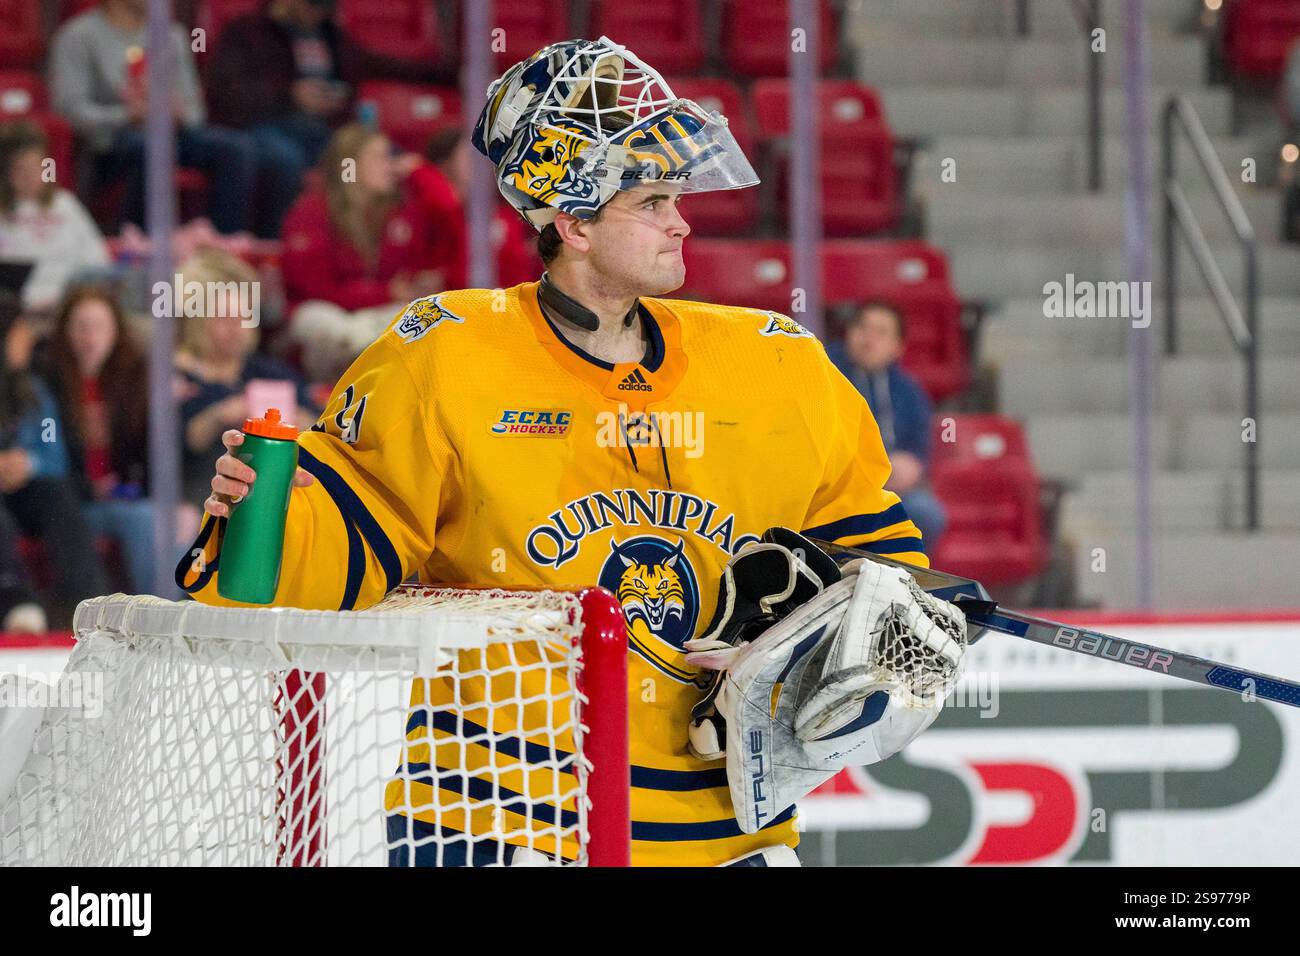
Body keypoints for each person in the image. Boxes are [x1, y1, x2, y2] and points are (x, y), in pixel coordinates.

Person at [179, 39, 943, 867]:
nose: (680, 220)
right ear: (571, 222)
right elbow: (342, 540)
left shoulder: (777, 365)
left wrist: (846, 639)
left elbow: (881, 568)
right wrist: (259, 515)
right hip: (496, 827)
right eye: (651, 201)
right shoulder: (445, 356)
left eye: (676, 196)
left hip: (727, 835)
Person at [206, 0, 459, 237]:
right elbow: (227, 90)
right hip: (263, 125)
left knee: (392, 158)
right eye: (308, 7)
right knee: (283, 160)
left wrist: (455, 74)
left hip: (323, 130)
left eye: (319, 10)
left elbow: (384, 64)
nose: (312, 16)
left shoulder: (329, 34)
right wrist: (290, 95)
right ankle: (275, 243)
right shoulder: (246, 30)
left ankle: (392, 244)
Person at [49, 0, 259, 235]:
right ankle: (134, 241)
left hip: (172, 134)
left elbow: (195, 110)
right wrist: (128, 115)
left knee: (234, 148)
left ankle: (223, 246)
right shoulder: (77, 35)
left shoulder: (172, 34)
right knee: (149, 148)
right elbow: (68, 110)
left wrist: (178, 112)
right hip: (109, 143)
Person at [282, 124, 440, 381]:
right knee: (331, 329)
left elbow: (444, 211)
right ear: (350, 165)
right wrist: (384, 293)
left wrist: (420, 173)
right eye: (379, 158)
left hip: (373, 315)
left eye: (390, 157)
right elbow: (315, 289)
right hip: (322, 313)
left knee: (423, 322)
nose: (389, 166)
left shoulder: (396, 213)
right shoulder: (310, 210)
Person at [174, 248, 319, 507]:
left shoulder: (270, 373)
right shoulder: (179, 377)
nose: (236, 329)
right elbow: (175, 443)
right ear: (198, 323)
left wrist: (298, 421)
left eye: (243, 319)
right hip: (201, 492)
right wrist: (220, 415)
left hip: (276, 492)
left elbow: (319, 424)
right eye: (224, 320)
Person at [36, 286, 157, 595]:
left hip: (124, 499)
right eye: (81, 327)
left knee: (165, 519)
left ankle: (170, 611)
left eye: (100, 327)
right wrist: (91, 487)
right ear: (65, 332)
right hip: (71, 506)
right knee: (143, 519)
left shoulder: (133, 383)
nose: (91, 337)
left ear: (116, 331)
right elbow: (46, 456)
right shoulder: (47, 383)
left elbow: (150, 454)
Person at [0, 292, 109, 630]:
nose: (29, 338)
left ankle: (90, 606)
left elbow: (54, 454)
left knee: (58, 494)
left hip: (25, 492)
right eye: (20, 330)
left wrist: (28, 462)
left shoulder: (34, 390)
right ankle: (16, 602)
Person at [829, 301, 948, 549]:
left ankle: (903, 583)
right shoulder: (826, 375)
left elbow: (920, 451)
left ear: (898, 347)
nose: (868, 338)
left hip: (892, 487)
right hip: (838, 486)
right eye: (862, 327)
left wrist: (912, 466)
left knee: (927, 512)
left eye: (881, 332)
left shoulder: (910, 391)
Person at [0, 122, 112, 313]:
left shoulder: (65, 204)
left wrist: (71, 297)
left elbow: (98, 261)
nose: (30, 177)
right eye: (21, 169)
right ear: (7, 173)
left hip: (68, 307)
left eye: (36, 168)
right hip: (16, 309)